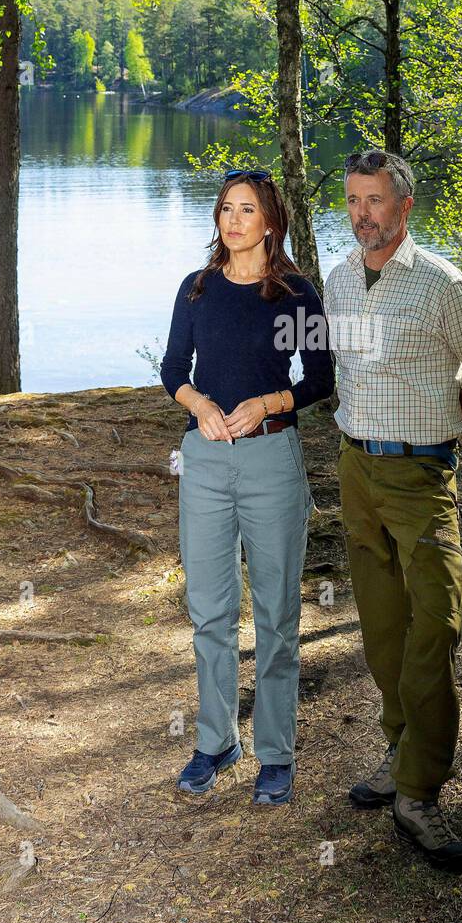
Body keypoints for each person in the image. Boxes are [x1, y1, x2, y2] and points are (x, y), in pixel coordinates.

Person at [324, 150, 462, 871]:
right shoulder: (337, 281)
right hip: (355, 470)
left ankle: (419, 795)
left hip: (421, 476)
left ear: (404, 207)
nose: (362, 213)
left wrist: (436, 419)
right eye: (353, 200)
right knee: (383, 629)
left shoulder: (441, 286)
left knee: (435, 626)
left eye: (375, 200)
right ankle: (397, 752)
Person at [160, 169, 334, 806]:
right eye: (226, 209)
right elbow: (173, 369)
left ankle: (275, 753)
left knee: (277, 616)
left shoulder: (293, 294)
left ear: (270, 222)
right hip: (204, 461)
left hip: (271, 464)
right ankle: (215, 741)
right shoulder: (197, 289)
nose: (234, 220)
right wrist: (198, 404)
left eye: (247, 210)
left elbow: (320, 379)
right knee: (209, 611)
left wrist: (266, 402)